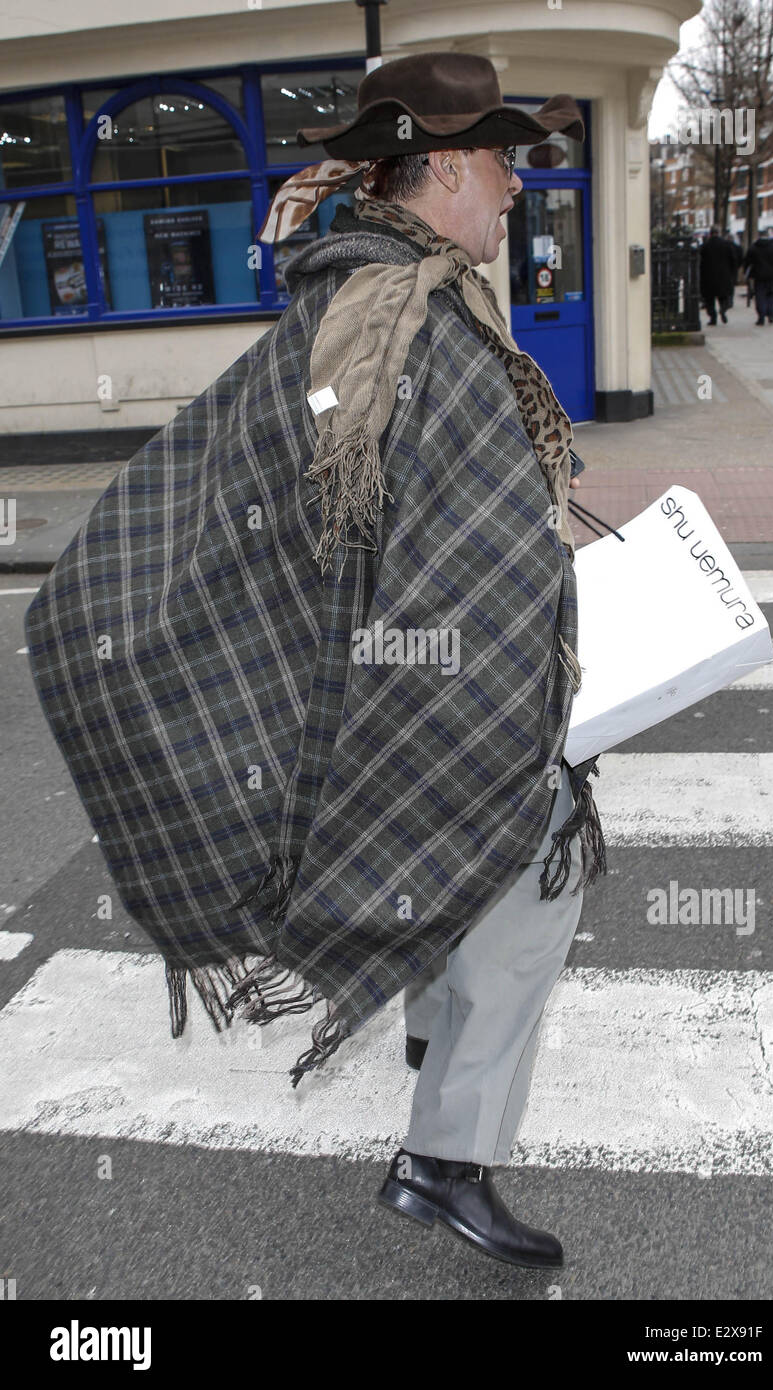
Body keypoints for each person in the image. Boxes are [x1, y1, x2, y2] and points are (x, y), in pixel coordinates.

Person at [23, 53, 606, 1271]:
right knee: (540, 863)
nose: (514, 186)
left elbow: (374, 504)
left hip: (393, 678)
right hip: (417, 682)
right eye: (500, 160)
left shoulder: (384, 293)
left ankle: (418, 1033)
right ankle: (442, 1162)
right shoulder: (396, 312)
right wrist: (499, 635)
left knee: (475, 869)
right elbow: (373, 518)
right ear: (442, 165)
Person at [743, 230, 773, 324]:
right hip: (772, 275)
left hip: (758, 275)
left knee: (760, 296)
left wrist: (746, 274)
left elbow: (747, 262)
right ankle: (771, 315)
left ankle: (761, 316)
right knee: (771, 294)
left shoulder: (753, 248)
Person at [699, 225, 738, 324]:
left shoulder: (705, 246)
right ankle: (723, 309)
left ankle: (713, 318)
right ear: (719, 233)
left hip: (708, 277)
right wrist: (732, 273)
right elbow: (733, 260)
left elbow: (700, 262)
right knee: (723, 297)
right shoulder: (726, 245)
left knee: (709, 300)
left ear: (710, 233)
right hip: (724, 276)